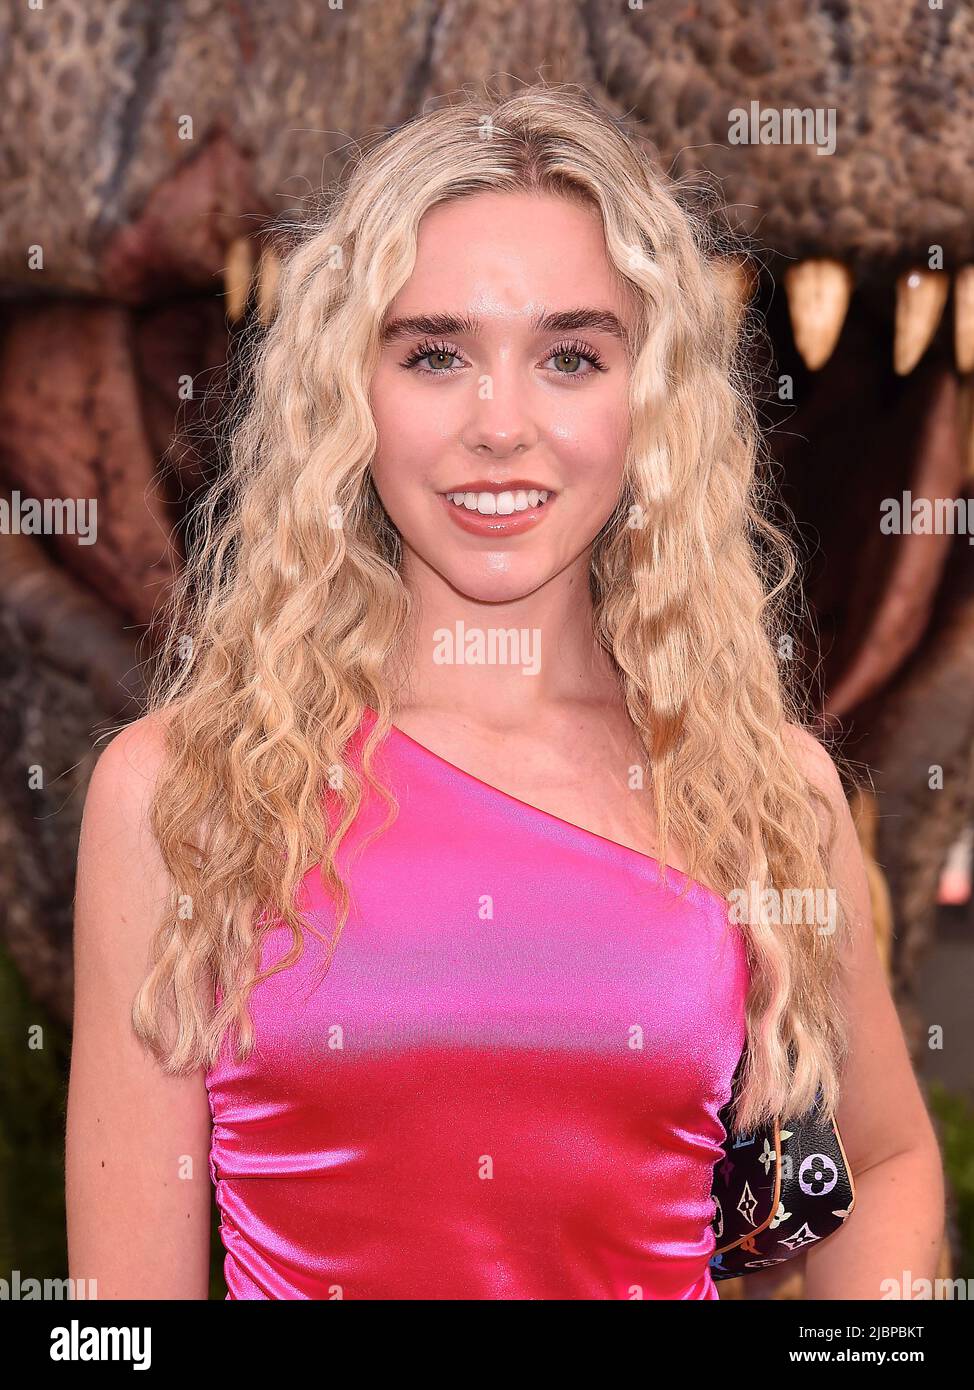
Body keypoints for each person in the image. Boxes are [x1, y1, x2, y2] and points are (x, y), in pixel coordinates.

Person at [65, 80, 944, 1300]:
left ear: (651, 402)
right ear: (346, 394)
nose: (500, 425)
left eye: (570, 355)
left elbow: (884, 1159)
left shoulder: (755, 793)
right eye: (434, 354)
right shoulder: (181, 793)